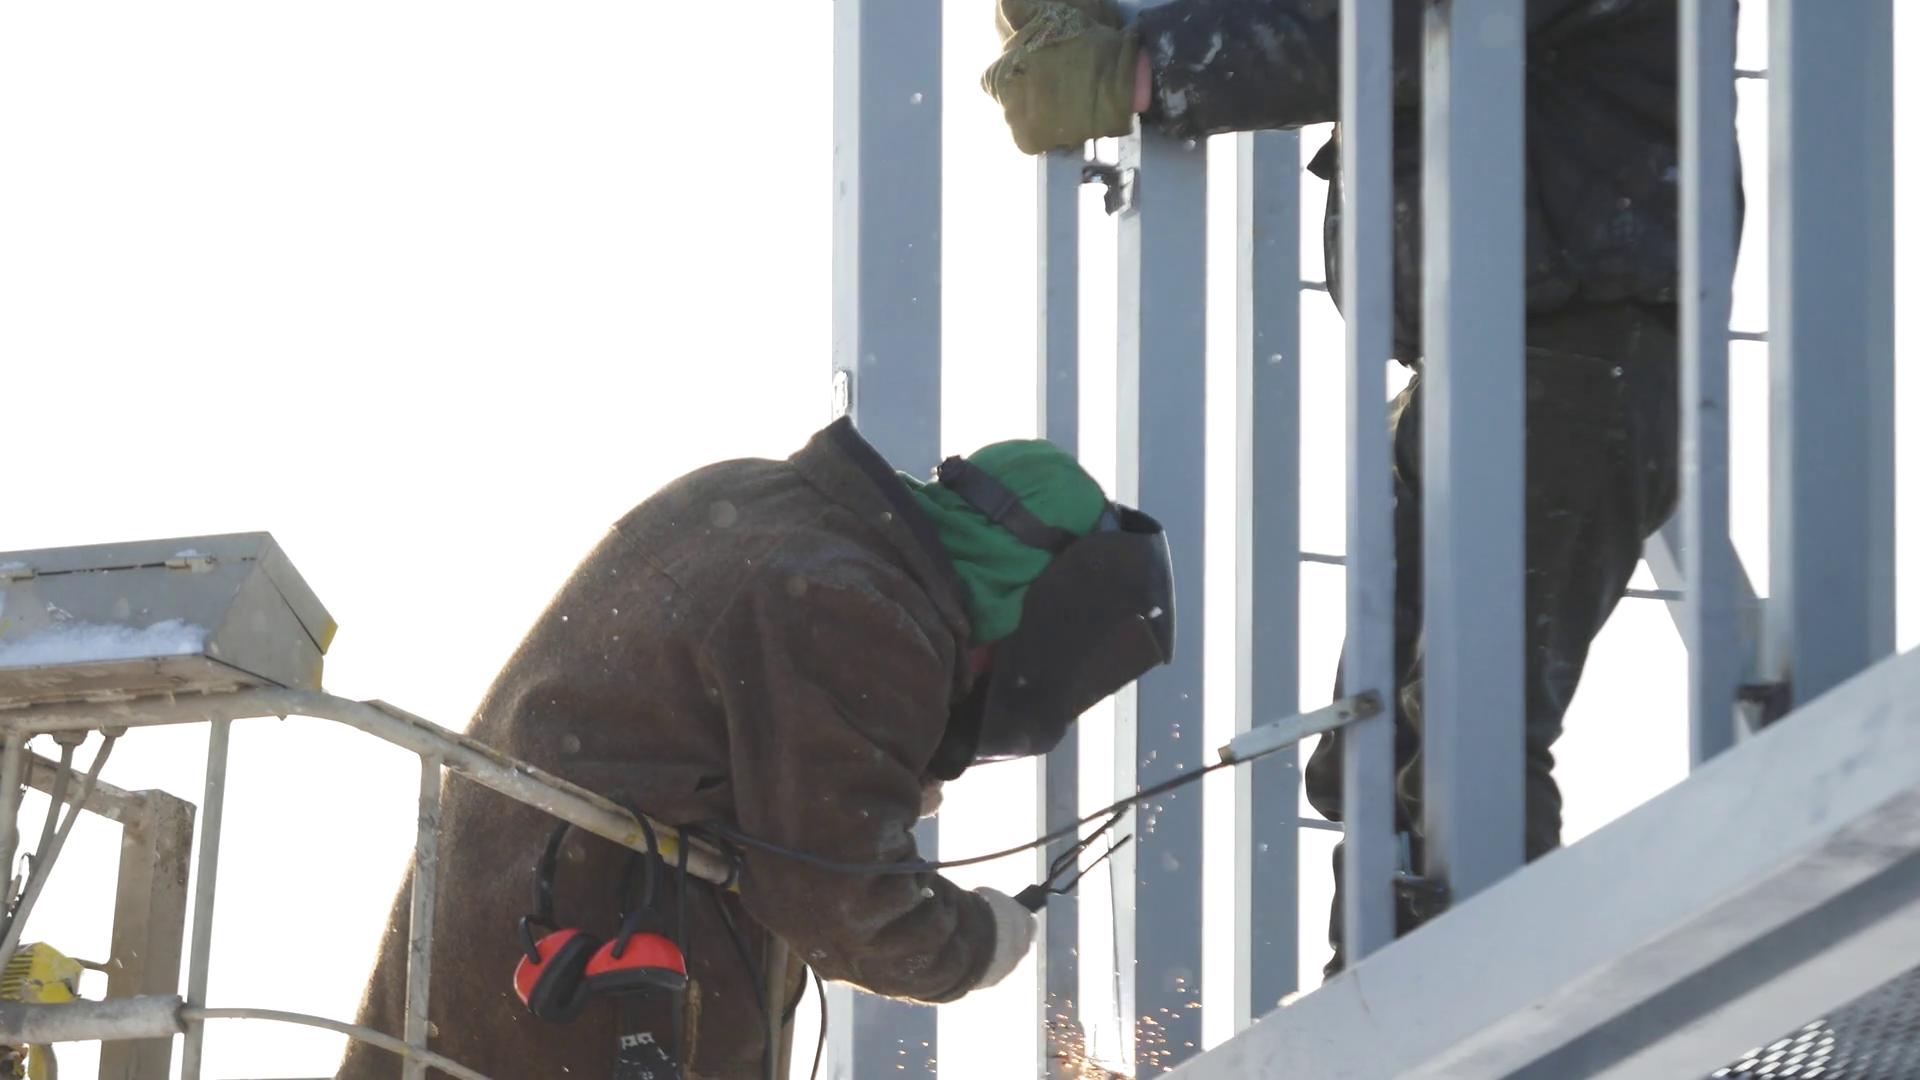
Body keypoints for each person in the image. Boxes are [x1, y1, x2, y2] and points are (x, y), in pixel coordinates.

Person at [982, 0, 1740, 977]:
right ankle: (1384, 1005)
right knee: (1376, 751)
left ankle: (1481, 1008)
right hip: (1498, 352)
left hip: (1579, 343)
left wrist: (1145, 65)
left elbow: (1395, 27)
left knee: (1471, 726)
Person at [339, 416, 1174, 1079]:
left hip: (475, 950)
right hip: (598, 999)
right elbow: (845, 900)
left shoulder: (759, 499)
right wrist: (973, 944)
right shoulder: (860, 608)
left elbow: (680, 716)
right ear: (1026, 601)